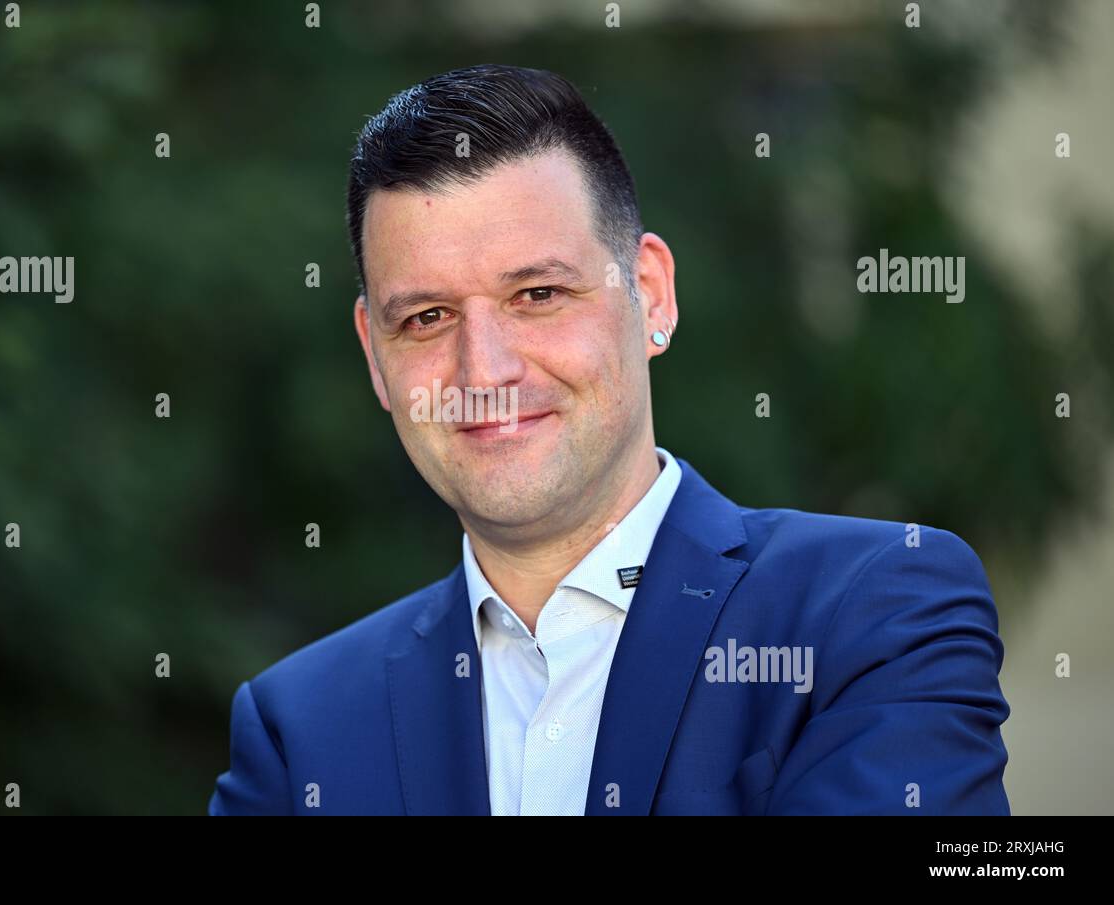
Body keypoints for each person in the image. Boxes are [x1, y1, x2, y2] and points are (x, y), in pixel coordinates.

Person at [209, 64, 1010, 815]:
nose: (482, 367)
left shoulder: (874, 614)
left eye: (538, 293)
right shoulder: (299, 733)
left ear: (651, 294)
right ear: (375, 360)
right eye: (426, 318)